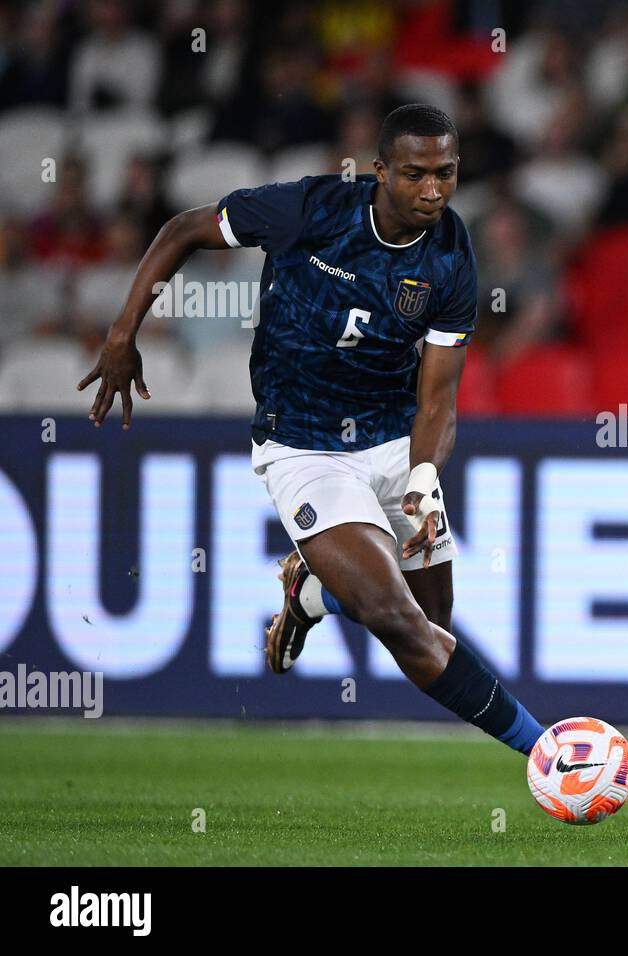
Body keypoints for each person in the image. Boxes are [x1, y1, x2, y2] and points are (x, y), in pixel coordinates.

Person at [77, 104, 545, 757]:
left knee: (433, 626)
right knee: (398, 621)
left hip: (393, 436)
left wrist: (424, 477)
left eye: (446, 173)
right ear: (380, 171)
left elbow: (439, 398)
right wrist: (123, 334)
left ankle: (313, 594)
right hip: (304, 444)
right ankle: (548, 752)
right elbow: (185, 228)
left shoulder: (451, 255)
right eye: (415, 174)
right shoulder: (309, 211)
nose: (433, 190)